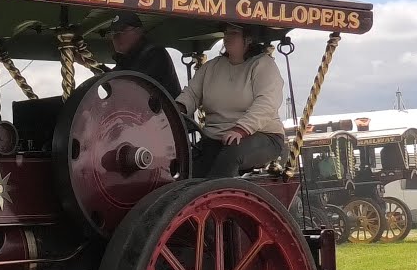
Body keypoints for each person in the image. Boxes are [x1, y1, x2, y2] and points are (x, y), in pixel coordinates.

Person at [173, 22, 287, 179]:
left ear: (248, 38)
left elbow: (266, 103)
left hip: (262, 135)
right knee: (188, 166)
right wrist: (177, 109)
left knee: (232, 154)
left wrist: (241, 129)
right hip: (216, 138)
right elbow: (191, 94)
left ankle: (216, 194)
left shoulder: (263, 65)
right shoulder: (211, 67)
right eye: (226, 33)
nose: (226, 37)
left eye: (233, 33)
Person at [106, 12, 182, 100]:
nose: (116, 36)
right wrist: (98, 68)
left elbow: (134, 88)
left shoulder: (154, 54)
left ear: (139, 31)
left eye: (122, 31)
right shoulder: (125, 59)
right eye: (113, 32)